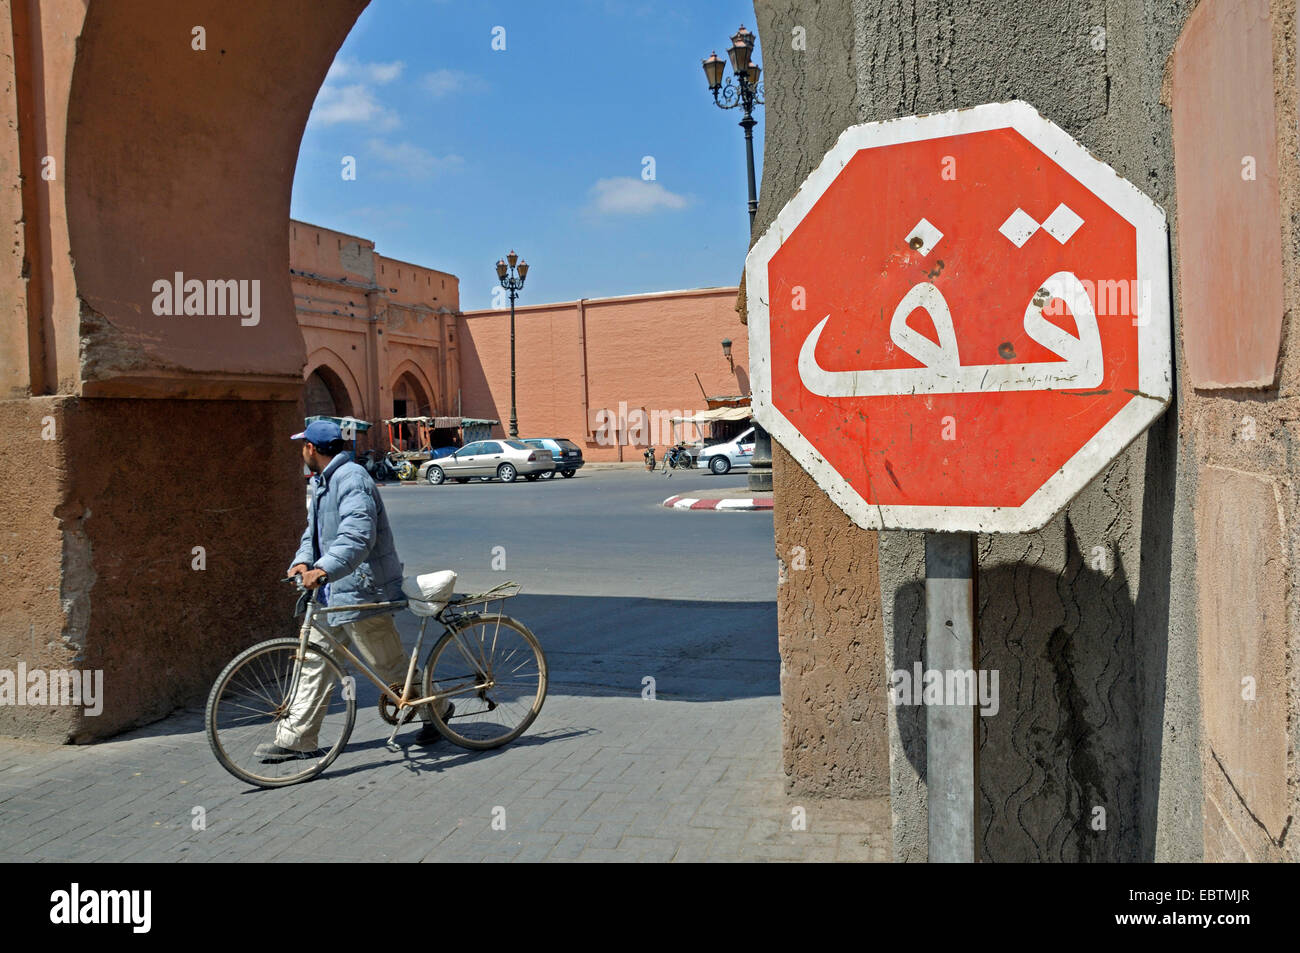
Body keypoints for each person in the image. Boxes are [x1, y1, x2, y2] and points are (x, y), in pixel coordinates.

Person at [255, 420, 449, 762]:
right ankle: (296, 739)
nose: (301, 451)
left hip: (362, 591)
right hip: (331, 593)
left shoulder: (353, 479)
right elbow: (313, 534)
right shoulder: (323, 482)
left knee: (387, 665)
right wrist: (303, 561)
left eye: (303, 446)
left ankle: (438, 709)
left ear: (311, 449)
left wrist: (323, 568)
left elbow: (357, 537)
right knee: (314, 661)